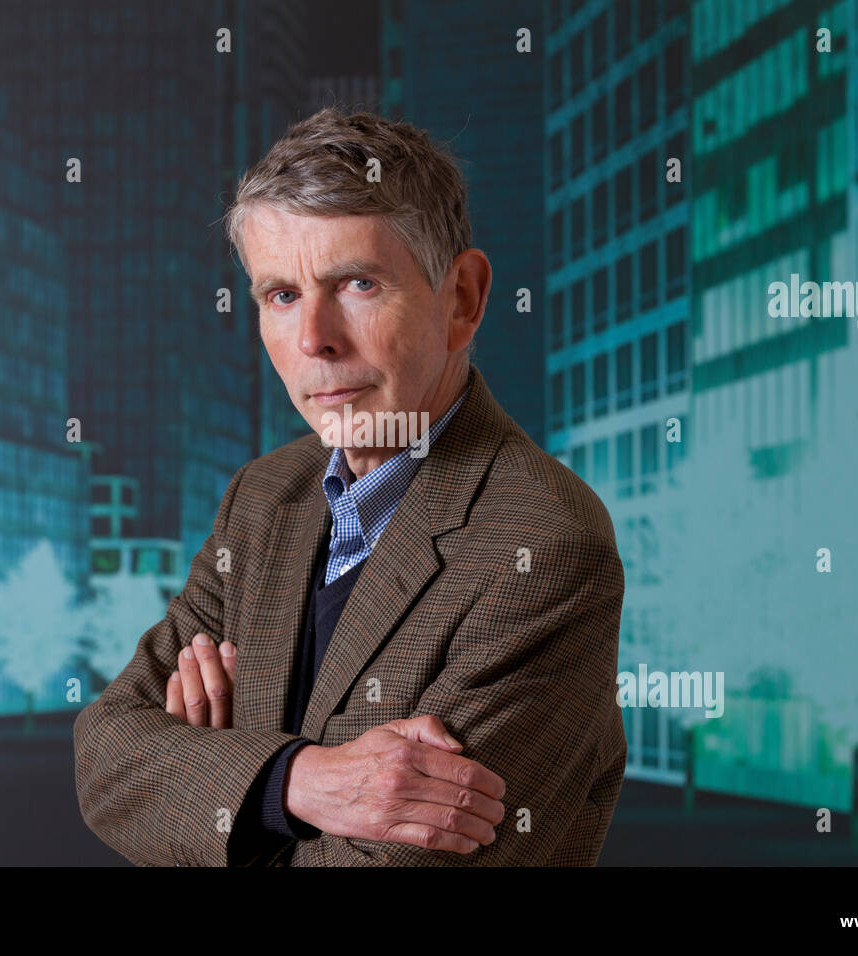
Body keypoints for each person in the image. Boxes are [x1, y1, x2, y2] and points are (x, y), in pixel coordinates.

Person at [73, 107, 626, 866]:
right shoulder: (263, 499)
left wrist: (211, 787)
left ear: (461, 298)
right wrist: (295, 781)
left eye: (358, 283)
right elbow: (106, 756)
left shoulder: (543, 542)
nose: (313, 341)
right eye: (281, 296)